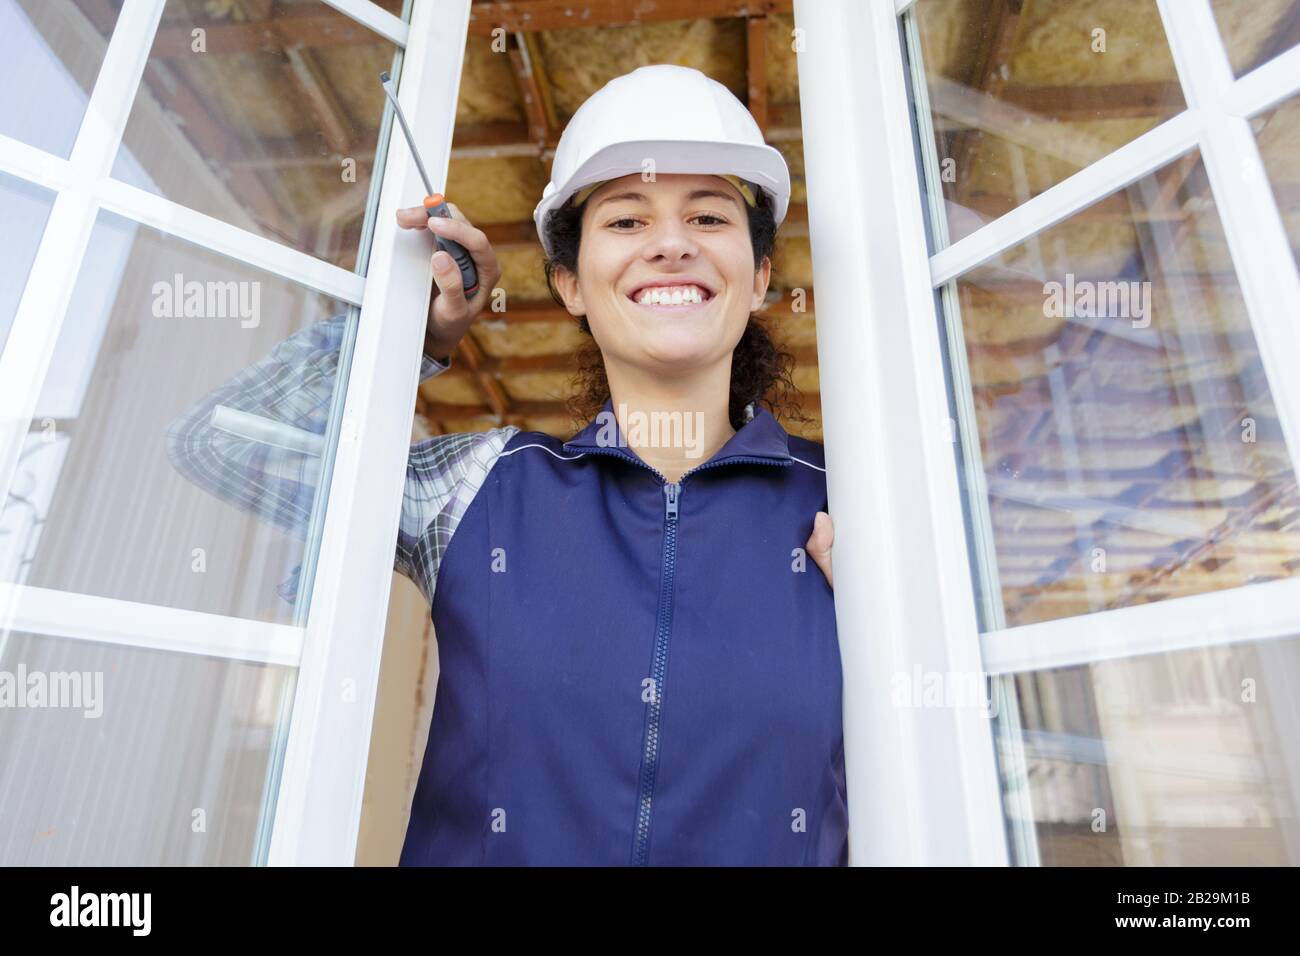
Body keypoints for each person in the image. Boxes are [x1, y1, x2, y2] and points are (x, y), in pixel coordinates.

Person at [165, 64, 845, 866]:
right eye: (626, 222)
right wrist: (410, 341)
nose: (671, 242)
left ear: (760, 276)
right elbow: (219, 440)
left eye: (707, 215)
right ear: (569, 284)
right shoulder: (476, 485)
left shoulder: (853, 509)